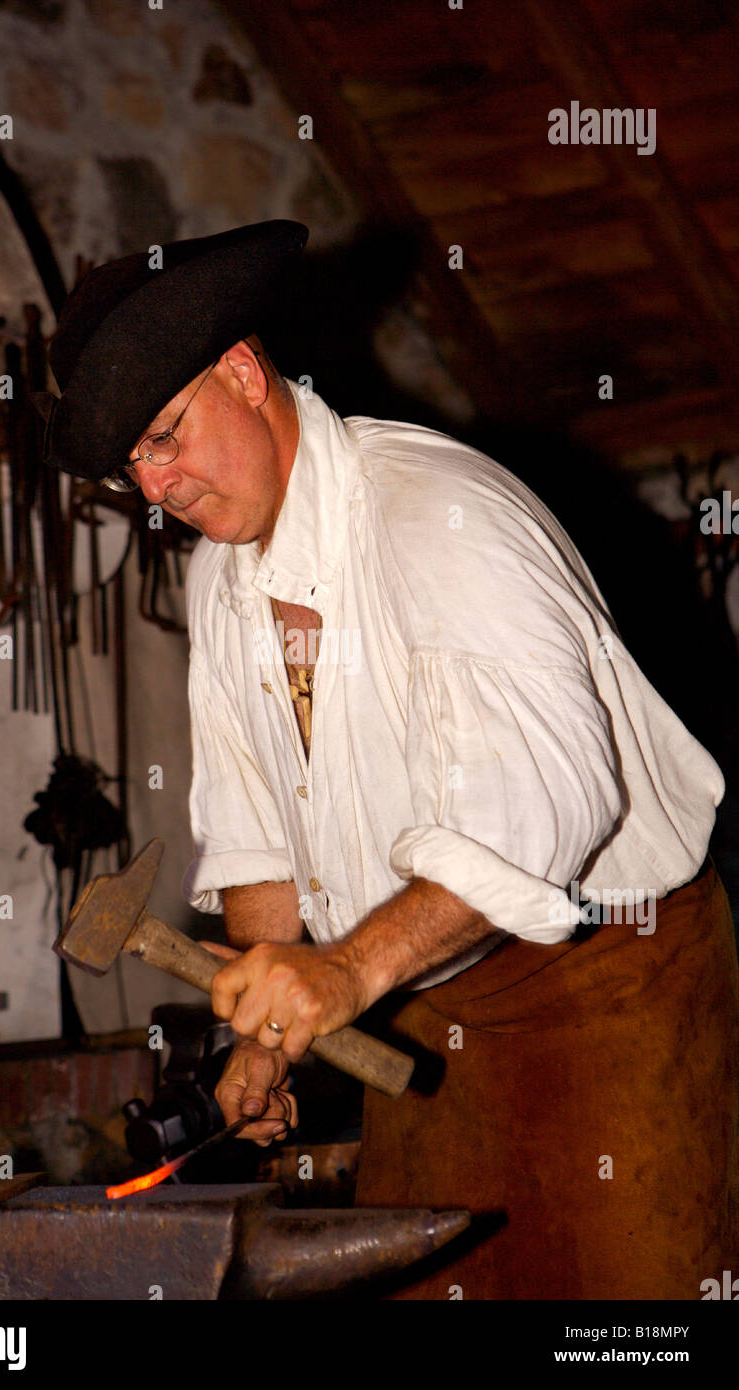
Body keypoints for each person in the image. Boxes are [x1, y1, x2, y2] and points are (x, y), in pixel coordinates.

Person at [37, 220, 739, 1299]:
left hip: (609, 989)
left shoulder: (436, 517)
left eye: (166, 435)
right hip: (427, 1011)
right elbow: (260, 831)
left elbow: (541, 808)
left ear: (241, 371)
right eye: (135, 468)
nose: (158, 488)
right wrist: (270, 1037)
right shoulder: (224, 583)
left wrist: (344, 970)